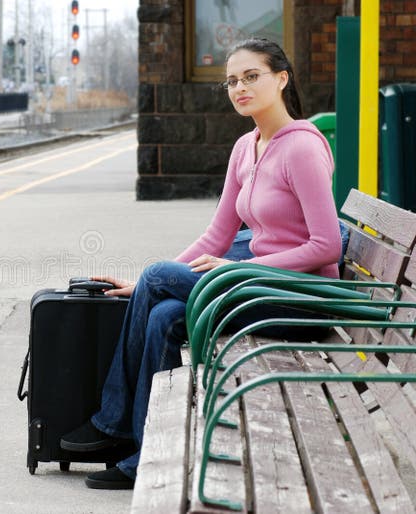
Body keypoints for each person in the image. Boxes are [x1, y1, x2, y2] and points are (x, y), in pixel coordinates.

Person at [59, 38, 342, 490]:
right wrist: (147, 287)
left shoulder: (302, 148)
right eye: (232, 81)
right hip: (255, 288)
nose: (239, 88)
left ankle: (111, 425)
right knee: (165, 315)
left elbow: (327, 247)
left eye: (252, 77)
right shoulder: (245, 148)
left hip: (301, 298)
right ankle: (143, 453)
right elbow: (217, 236)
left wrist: (239, 270)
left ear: (282, 79)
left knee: (157, 278)